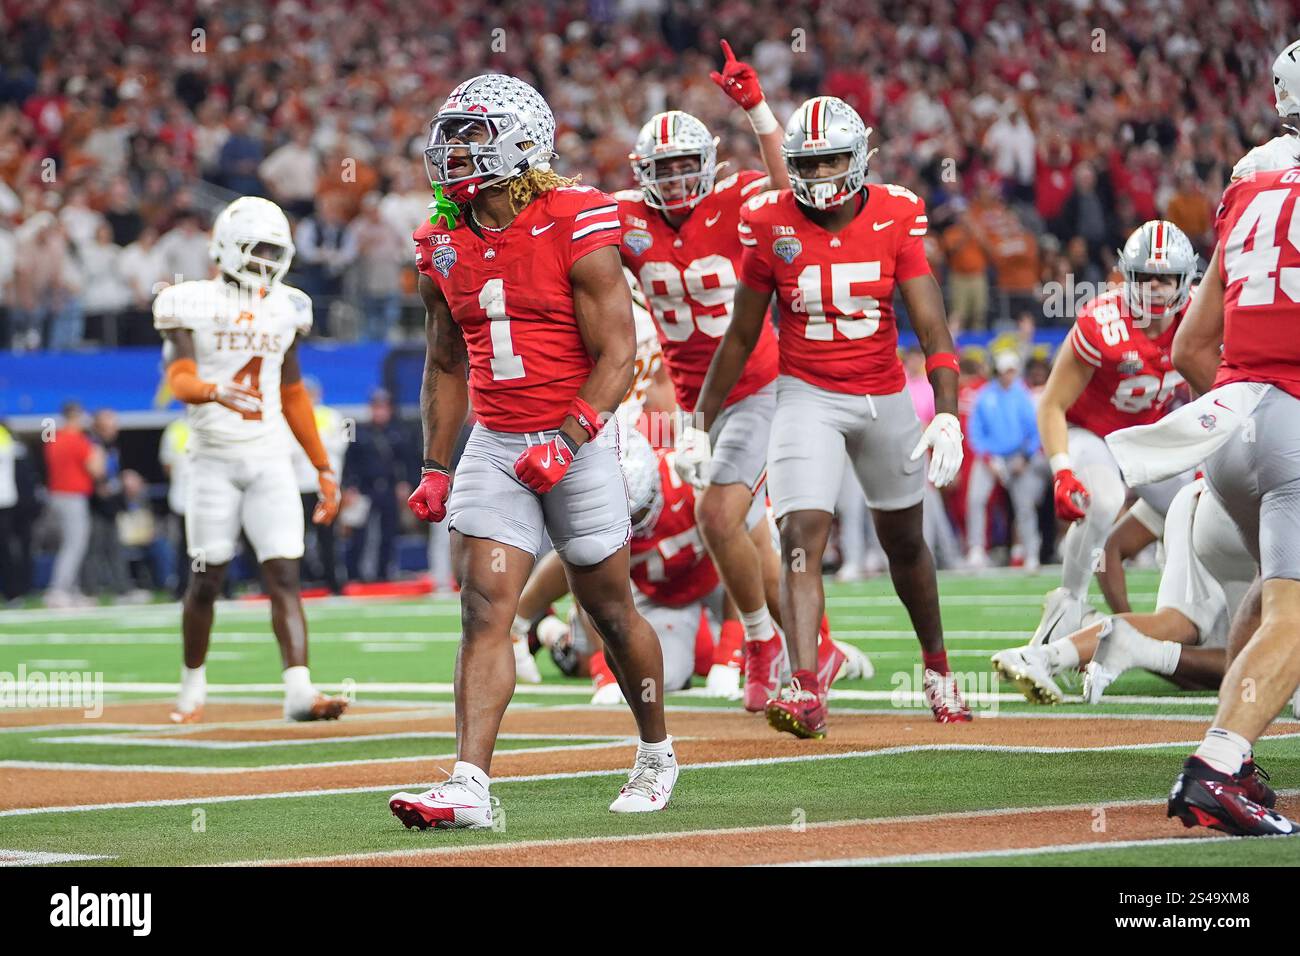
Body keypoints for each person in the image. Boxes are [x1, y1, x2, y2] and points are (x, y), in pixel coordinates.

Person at [392, 74, 677, 830]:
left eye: (471, 134)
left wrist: (571, 439)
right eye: (449, 134)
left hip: (575, 437)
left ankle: (655, 751)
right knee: (485, 607)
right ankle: (469, 784)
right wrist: (434, 463)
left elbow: (616, 354)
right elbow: (446, 362)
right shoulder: (441, 241)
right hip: (495, 440)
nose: (451, 150)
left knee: (609, 610)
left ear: (521, 144)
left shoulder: (577, 220)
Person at [693, 95, 972, 738]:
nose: (819, 177)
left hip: (883, 395)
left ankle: (938, 670)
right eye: (807, 164)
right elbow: (740, 335)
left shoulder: (896, 213)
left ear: (859, 158)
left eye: (831, 161)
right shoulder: (768, 219)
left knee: (905, 543)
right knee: (801, 539)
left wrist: (950, 413)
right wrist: (697, 421)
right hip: (806, 395)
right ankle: (804, 685)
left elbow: (932, 326)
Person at [617, 41, 798, 712]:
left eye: (686, 165)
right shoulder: (624, 218)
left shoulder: (737, 198)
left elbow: (790, 193)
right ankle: (805, 653)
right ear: (643, 174)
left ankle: (762, 643)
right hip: (693, 401)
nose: (674, 180)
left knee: (721, 515)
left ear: (710, 164)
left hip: (759, 383)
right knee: (746, 528)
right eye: (662, 170)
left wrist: (757, 111)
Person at [153, 195, 346, 724]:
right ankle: (193, 680)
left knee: (284, 573)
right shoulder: (188, 301)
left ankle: (299, 691)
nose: (264, 260)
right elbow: (180, 379)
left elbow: (292, 393)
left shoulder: (289, 305)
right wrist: (214, 391)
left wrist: (323, 466)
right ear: (226, 248)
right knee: (207, 578)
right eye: (255, 249)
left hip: (269, 458)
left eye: (272, 250)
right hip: (212, 460)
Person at [1161, 160, 1300, 836]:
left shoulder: (1248, 193)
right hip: (1293, 426)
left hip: (1228, 422)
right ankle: (1215, 768)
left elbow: (1191, 345)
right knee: (1296, 611)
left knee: (1272, 593)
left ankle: (1233, 752)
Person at [1029, 220, 1197, 644]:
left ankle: (1189, 619)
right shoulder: (1102, 321)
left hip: (1147, 436)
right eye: (1146, 277)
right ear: (1127, 276)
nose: (1156, 289)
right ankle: (1066, 607)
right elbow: (1052, 402)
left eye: (1166, 279)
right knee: (1103, 500)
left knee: (1202, 511)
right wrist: (1063, 469)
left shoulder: (1201, 318)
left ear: (1185, 279)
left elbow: (1211, 391)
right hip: (1093, 433)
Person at [992, 479, 1253, 706]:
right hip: (1232, 511)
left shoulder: (1192, 484)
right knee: (1183, 629)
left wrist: (1120, 630)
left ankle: (1083, 622)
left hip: (1213, 501)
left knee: (1207, 672)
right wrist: (1127, 630)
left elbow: (1109, 551)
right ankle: (1042, 657)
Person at [965, 350, 1047, 570]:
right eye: (1005, 371)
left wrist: (1025, 456)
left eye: (1011, 370)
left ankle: (1031, 553)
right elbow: (975, 430)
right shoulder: (984, 395)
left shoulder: (1023, 395)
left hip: (1018, 458)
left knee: (1025, 505)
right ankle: (976, 549)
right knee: (976, 499)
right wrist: (986, 457)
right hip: (989, 457)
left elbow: (1034, 431)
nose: (1008, 375)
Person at [43, 401, 103, 607]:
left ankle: (71, 590)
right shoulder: (79, 440)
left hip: (56, 496)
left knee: (68, 544)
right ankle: (58, 590)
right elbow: (97, 470)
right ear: (75, 417)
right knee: (74, 545)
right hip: (73, 497)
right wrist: (98, 451)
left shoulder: (54, 439)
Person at [290, 377, 348, 593]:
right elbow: (289, 449)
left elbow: (339, 447)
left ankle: (333, 581)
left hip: (325, 487)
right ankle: (302, 579)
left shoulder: (331, 416)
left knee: (328, 537)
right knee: (297, 536)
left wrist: (311, 443)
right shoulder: (292, 416)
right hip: (300, 485)